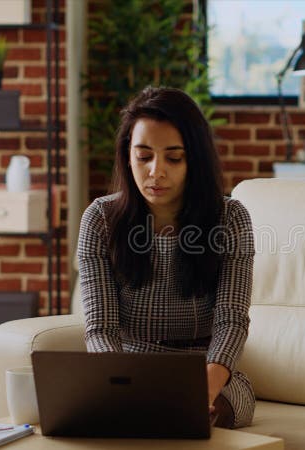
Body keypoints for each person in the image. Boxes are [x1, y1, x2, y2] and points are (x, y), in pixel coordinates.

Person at [77, 86, 255, 429]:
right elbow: (101, 328)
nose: (156, 171)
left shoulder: (231, 218)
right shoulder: (100, 219)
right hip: (127, 371)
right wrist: (119, 386)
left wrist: (204, 389)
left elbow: (231, 321)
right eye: (144, 156)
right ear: (127, 155)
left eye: (174, 158)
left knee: (196, 417)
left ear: (195, 159)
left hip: (208, 373)